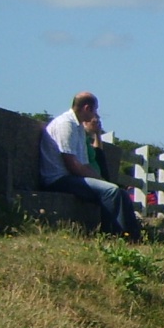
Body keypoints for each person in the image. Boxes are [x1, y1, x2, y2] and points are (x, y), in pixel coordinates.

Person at [38, 91, 141, 240]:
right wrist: (101, 180)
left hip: (71, 177)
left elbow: (84, 163)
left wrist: (99, 179)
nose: (96, 113)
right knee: (110, 191)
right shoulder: (65, 125)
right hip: (58, 178)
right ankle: (111, 236)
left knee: (122, 193)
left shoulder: (77, 127)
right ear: (87, 108)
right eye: (95, 109)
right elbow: (72, 164)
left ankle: (133, 238)